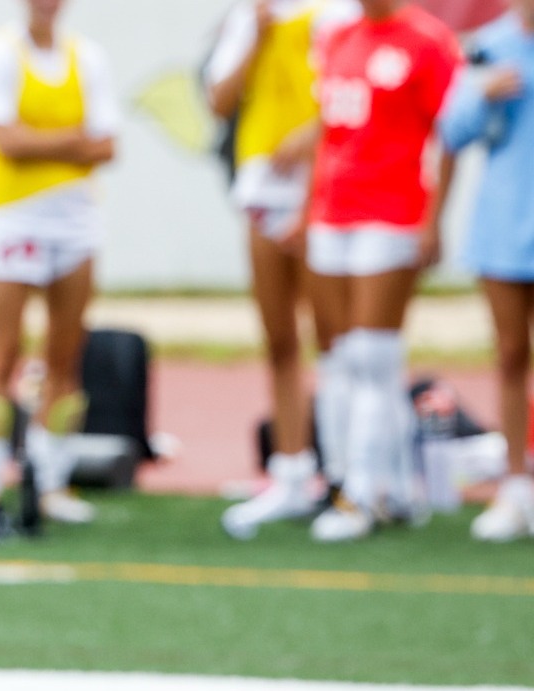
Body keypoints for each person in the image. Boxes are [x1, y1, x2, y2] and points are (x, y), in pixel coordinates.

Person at [0, 0, 118, 546]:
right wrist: (71, 141)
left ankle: (50, 483)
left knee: (66, 355)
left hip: (75, 221)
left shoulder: (89, 58)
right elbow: (5, 141)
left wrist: (47, 142)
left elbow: (107, 144)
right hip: (12, 220)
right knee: (2, 354)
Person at [301, 0, 461, 541]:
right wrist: (311, 207)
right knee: (342, 359)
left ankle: (361, 496)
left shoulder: (428, 41)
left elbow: (450, 134)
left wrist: (434, 219)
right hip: (334, 212)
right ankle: (375, 484)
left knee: (374, 356)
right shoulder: (339, 35)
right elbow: (329, 133)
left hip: (392, 212)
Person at [206, 0, 360, 539]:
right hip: (262, 192)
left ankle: (345, 478)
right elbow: (220, 102)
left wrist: (312, 137)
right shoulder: (249, 17)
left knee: (335, 340)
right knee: (279, 340)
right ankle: (292, 474)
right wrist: (254, 36)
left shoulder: (337, 15)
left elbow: (353, 97)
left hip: (324, 191)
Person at [440, 0, 534, 541]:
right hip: (502, 223)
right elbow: (453, 131)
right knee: (510, 354)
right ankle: (515, 487)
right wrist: (482, 94)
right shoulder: (488, 45)